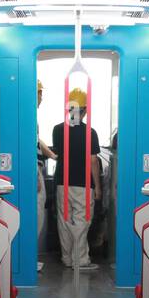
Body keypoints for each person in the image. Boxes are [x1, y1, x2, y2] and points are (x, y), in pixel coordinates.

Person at [51, 88, 100, 271]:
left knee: (64, 220)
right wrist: (99, 187)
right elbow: (93, 160)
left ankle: (67, 259)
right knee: (82, 220)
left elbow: (59, 152)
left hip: (62, 182)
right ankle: (80, 261)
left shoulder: (57, 130)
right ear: (85, 109)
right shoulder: (90, 132)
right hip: (83, 184)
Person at [36, 80, 57, 270]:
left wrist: (52, 155)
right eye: (40, 93)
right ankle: (28, 259)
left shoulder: (30, 115)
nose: (42, 98)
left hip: (38, 167)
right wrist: (35, 174)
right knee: (37, 214)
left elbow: (36, 140)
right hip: (34, 168)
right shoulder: (27, 114)